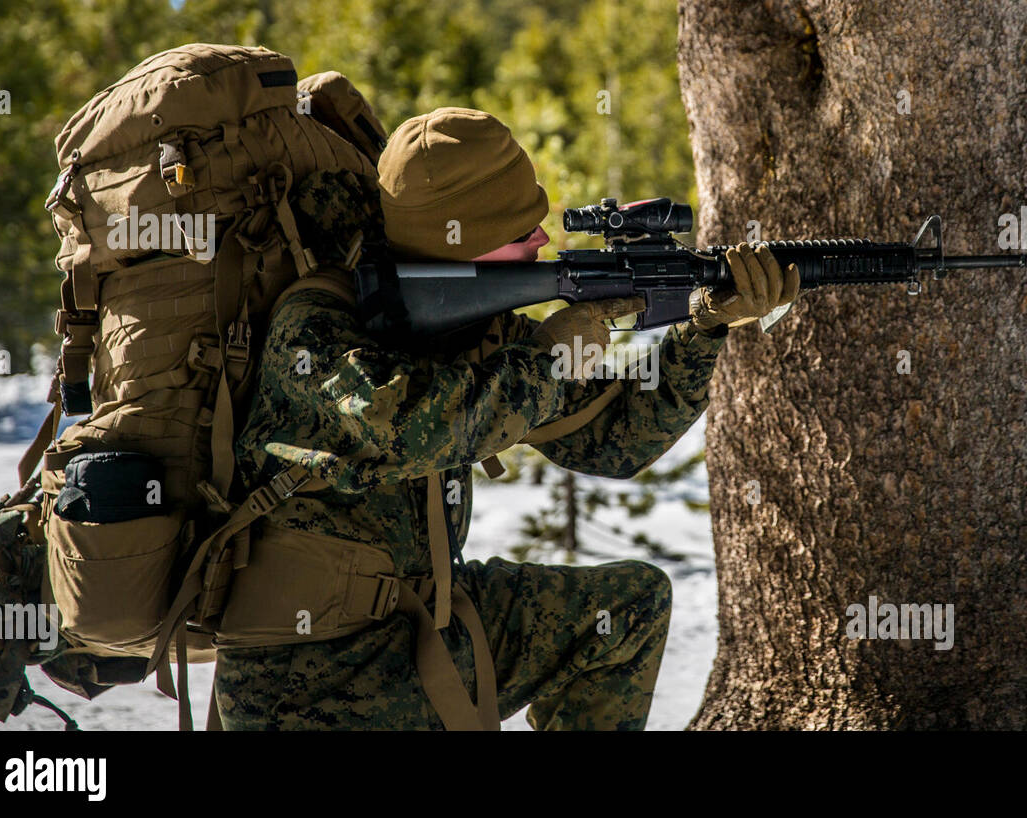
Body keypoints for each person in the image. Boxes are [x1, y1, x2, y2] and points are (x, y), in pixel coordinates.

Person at [211, 107, 797, 730]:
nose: (542, 241)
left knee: (630, 607)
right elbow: (413, 431)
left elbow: (611, 442)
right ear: (459, 240)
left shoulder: (478, 327)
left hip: (420, 621)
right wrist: (550, 360)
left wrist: (704, 327)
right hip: (307, 676)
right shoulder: (317, 326)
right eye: (522, 232)